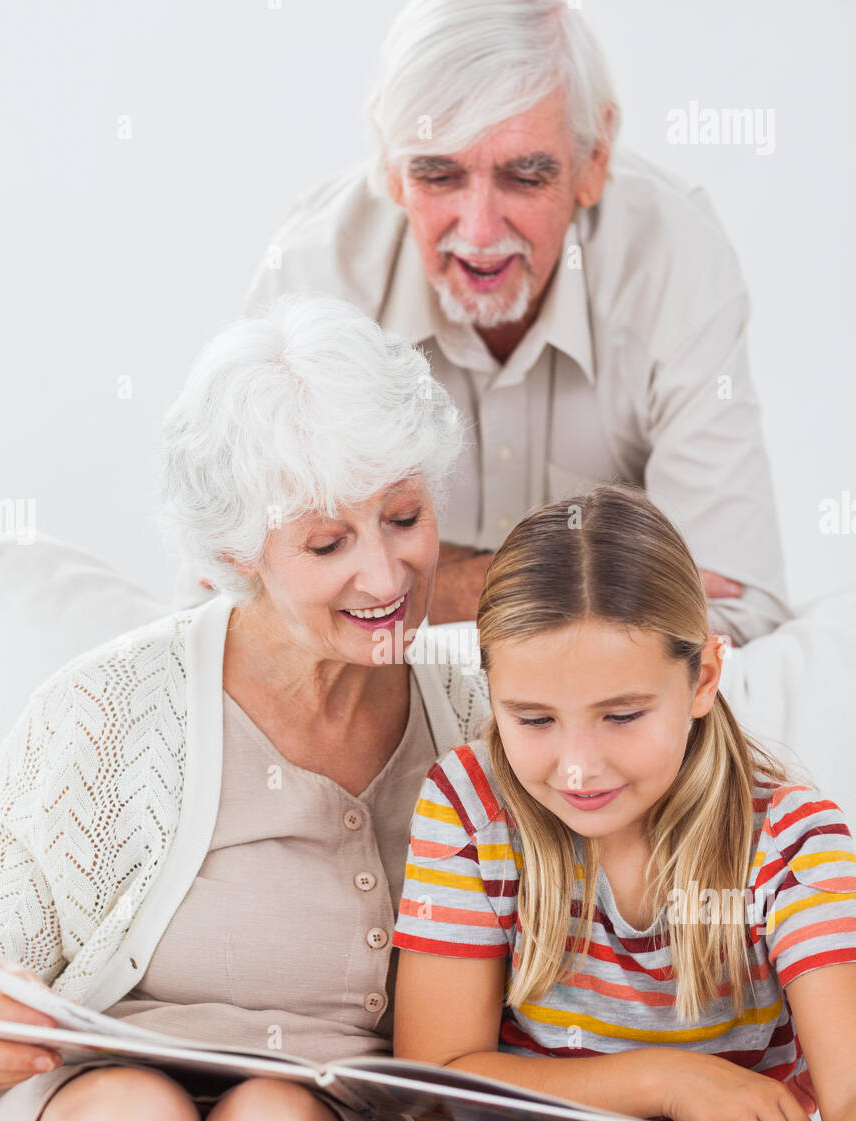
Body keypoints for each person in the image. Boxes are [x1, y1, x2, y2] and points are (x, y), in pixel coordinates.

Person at [0, 292, 490, 1121]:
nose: (385, 572)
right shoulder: (105, 706)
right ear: (234, 557)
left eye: (402, 517)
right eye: (325, 545)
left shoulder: (489, 714)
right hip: (91, 1108)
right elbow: (11, 951)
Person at [391, 485, 856, 1121]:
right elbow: (438, 1085)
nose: (578, 768)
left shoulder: (789, 836)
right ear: (490, 687)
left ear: (705, 676)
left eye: (622, 715)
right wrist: (666, 1078)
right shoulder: (467, 805)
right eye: (533, 720)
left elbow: (853, 1092)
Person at [238, 0, 791, 642]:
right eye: (438, 174)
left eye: (526, 176)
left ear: (593, 161)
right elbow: (247, 604)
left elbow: (734, 612)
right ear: (390, 170)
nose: (479, 232)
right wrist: (598, 576)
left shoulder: (676, 257)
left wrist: (404, 591)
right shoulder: (315, 276)